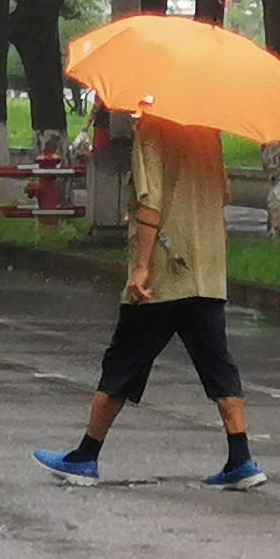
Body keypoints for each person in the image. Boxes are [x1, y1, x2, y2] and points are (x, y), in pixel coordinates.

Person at [33, 113, 267, 491]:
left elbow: (150, 202)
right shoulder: (208, 130)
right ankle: (241, 458)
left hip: (165, 271)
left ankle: (85, 456)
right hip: (206, 270)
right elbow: (223, 191)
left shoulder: (153, 129)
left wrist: (141, 267)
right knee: (217, 363)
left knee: (123, 361)